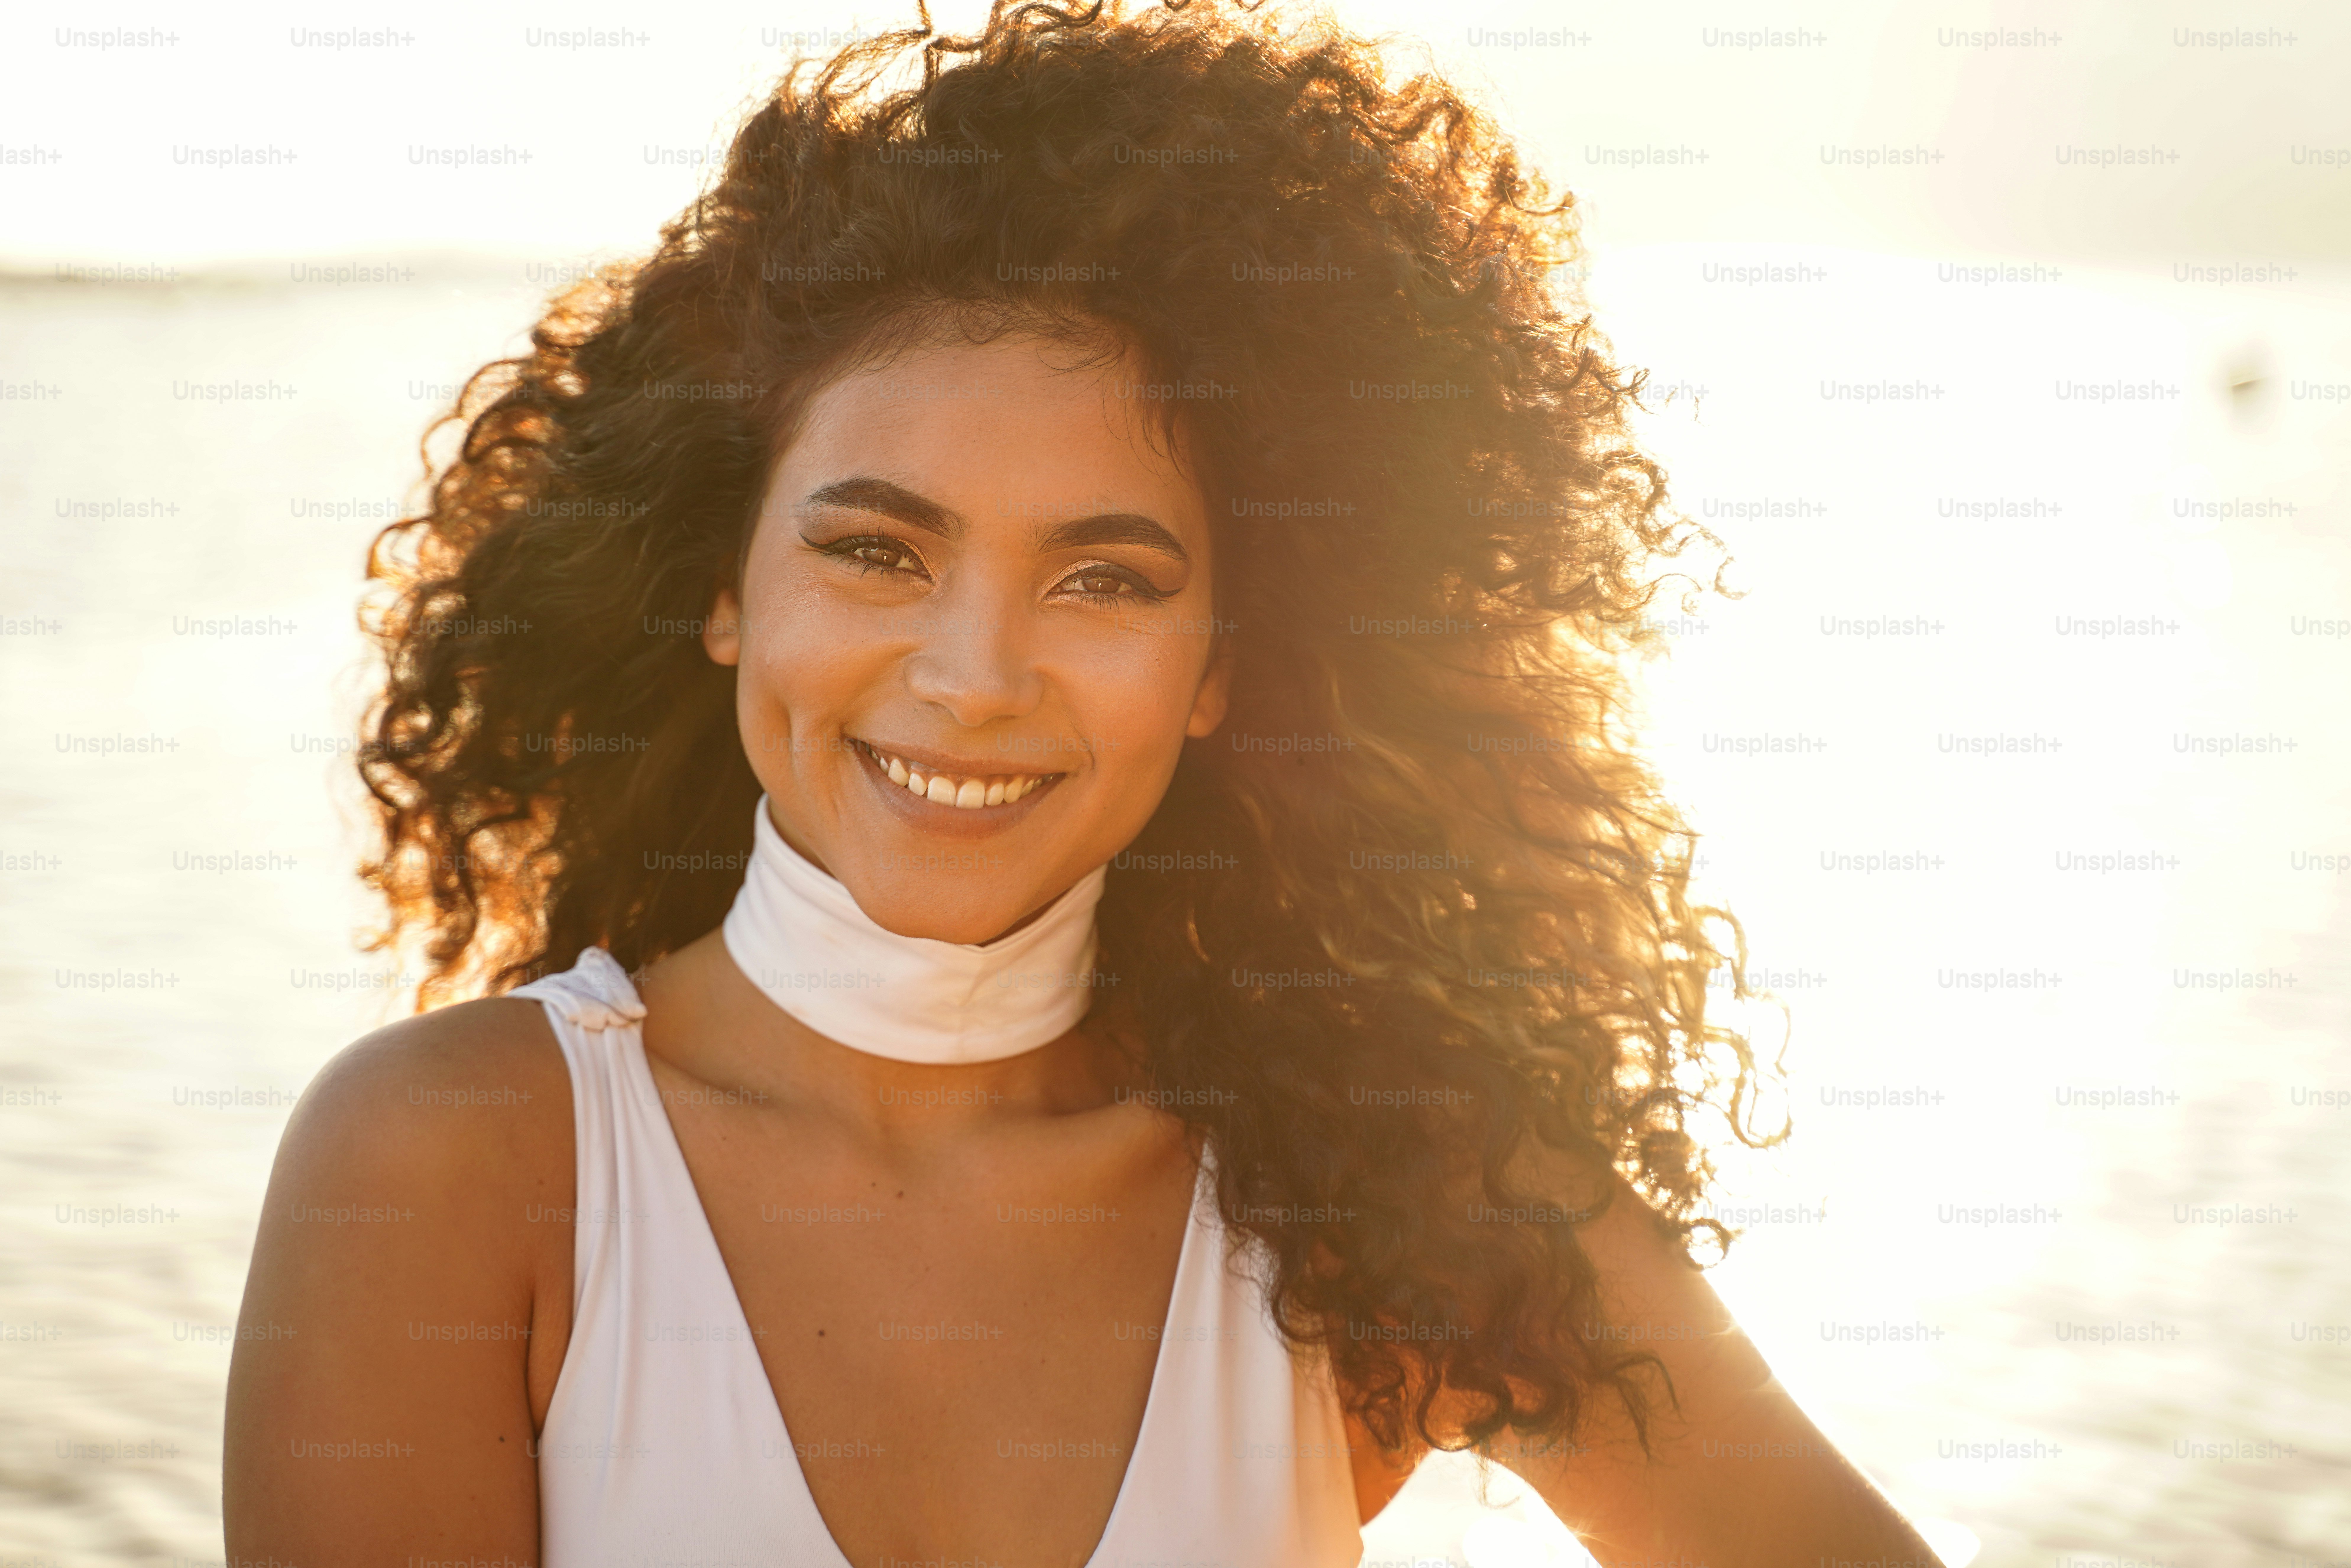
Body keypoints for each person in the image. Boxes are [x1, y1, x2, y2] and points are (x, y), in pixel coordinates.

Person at [224, 2, 1944, 1563]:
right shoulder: (452, 1168)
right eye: (879, 550)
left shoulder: (1389, 1194)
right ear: (725, 587)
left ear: (1222, 667)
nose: (973, 677)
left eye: (1104, 578)